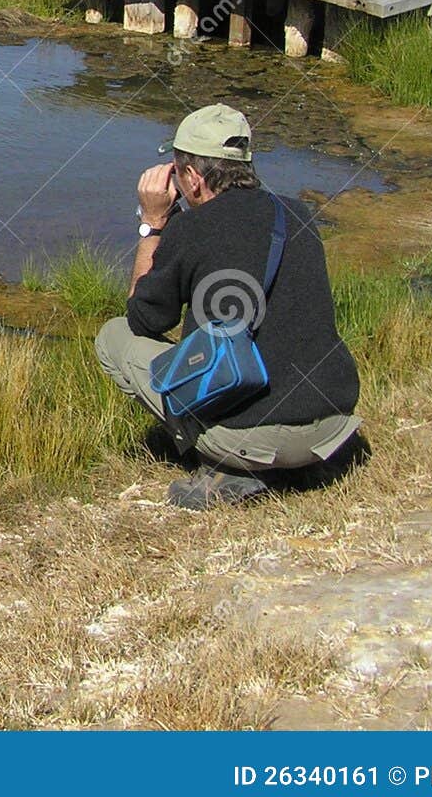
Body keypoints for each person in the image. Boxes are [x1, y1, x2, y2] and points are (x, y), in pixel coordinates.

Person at [95, 103, 362, 509]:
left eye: (177, 172)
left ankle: (231, 466)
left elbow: (143, 318)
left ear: (192, 177)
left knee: (113, 336)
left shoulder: (192, 227)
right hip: (334, 424)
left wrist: (153, 224)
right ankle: (287, 461)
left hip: (254, 440)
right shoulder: (297, 212)